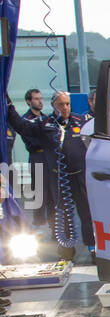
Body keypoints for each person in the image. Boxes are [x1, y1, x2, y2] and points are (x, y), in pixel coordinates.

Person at [46, 91, 95, 258]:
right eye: (61, 104)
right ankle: (67, 248)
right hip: (60, 177)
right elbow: (24, 128)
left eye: (67, 104)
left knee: (87, 213)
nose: (65, 108)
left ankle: (92, 247)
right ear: (53, 105)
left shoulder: (81, 121)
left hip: (80, 175)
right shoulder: (47, 123)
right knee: (63, 213)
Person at [5, 88, 54, 225]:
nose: (40, 101)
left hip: (49, 157)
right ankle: (38, 224)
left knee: (52, 194)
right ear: (28, 101)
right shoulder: (25, 120)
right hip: (37, 158)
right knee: (40, 195)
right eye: (36, 99)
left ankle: (54, 226)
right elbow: (32, 140)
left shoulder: (46, 118)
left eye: (41, 98)